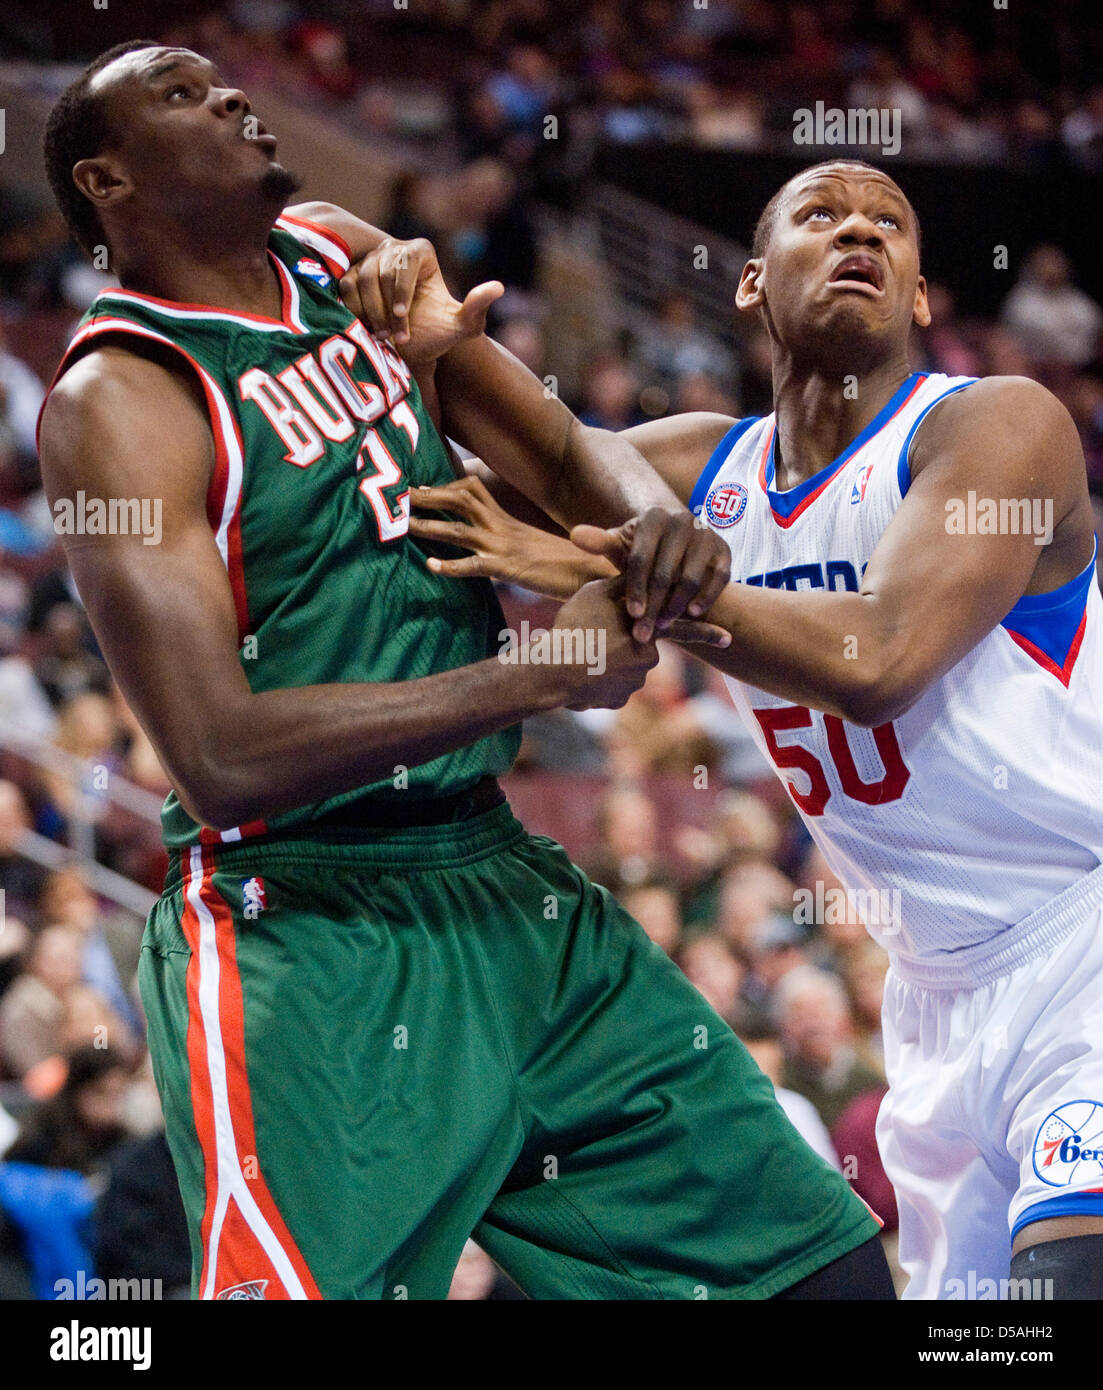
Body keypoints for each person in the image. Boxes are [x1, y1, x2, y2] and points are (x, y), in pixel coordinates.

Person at [37, 43, 886, 1301]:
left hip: (498, 881)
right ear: (107, 180)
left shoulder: (336, 253)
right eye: (177, 93)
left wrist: (657, 531)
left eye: (222, 79)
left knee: (815, 1276)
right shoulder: (122, 394)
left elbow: (559, 447)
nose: (226, 96)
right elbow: (218, 757)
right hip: (301, 922)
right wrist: (539, 674)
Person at [409, 160, 1103, 1300]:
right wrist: (439, 344)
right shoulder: (697, 473)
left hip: (1078, 939)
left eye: (888, 224)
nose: (857, 235)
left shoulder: (995, 428)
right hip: (931, 993)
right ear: (747, 283)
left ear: (923, 296)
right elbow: (524, 462)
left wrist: (643, 570)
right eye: (819, 216)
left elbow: (877, 661)